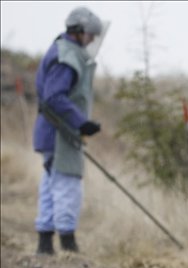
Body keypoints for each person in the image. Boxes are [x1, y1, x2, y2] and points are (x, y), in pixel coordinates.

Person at [32, 6, 106, 255]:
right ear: (79, 32)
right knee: (67, 185)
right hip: (59, 134)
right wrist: (80, 122)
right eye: (91, 34)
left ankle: (45, 243)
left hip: (55, 132)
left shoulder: (64, 50)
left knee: (52, 183)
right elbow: (54, 97)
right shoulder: (68, 56)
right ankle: (67, 243)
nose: (93, 39)